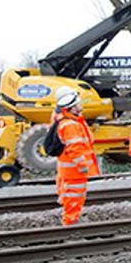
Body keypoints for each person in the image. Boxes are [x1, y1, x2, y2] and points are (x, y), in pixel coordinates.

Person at [53, 88, 99, 226]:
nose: (81, 106)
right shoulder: (70, 125)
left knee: (74, 196)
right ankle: (71, 224)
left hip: (71, 169)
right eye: (78, 104)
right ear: (71, 108)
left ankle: (73, 220)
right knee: (74, 197)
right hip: (74, 170)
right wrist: (83, 165)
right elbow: (74, 149)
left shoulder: (69, 121)